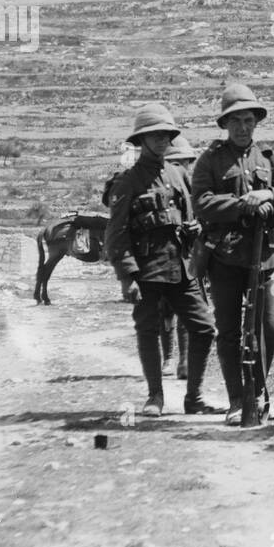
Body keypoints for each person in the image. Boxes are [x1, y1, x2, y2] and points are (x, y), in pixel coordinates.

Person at [192, 85, 274, 425]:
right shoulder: (210, 159)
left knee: (270, 328)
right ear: (225, 123)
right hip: (225, 258)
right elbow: (202, 203)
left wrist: (268, 195)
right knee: (229, 331)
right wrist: (242, 204)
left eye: (248, 120)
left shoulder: (268, 158)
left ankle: (258, 393)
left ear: (256, 122)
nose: (242, 127)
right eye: (235, 120)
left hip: (265, 258)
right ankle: (237, 399)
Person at [104, 105, 219, 417]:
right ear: (141, 139)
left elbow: (192, 216)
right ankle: (155, 396)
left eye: (165, 134)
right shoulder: (127, 182)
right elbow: (117, 234)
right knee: (148, 329)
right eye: (153, 135)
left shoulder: (179, 175)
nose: (160, 140)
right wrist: (127, 277)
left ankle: (193, 398)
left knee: (204, 327)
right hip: (147, 270)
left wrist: (195, 229)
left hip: (182, 268)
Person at [158, 133, 199, 380]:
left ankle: (185, 360)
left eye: (184, 162)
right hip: (162, 259)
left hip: (188, 257)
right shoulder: (157, 189)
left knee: (187, 311)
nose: (181, 167)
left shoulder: (192, 189)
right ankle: (169, 358)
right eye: (175, 163)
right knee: (165, 311)